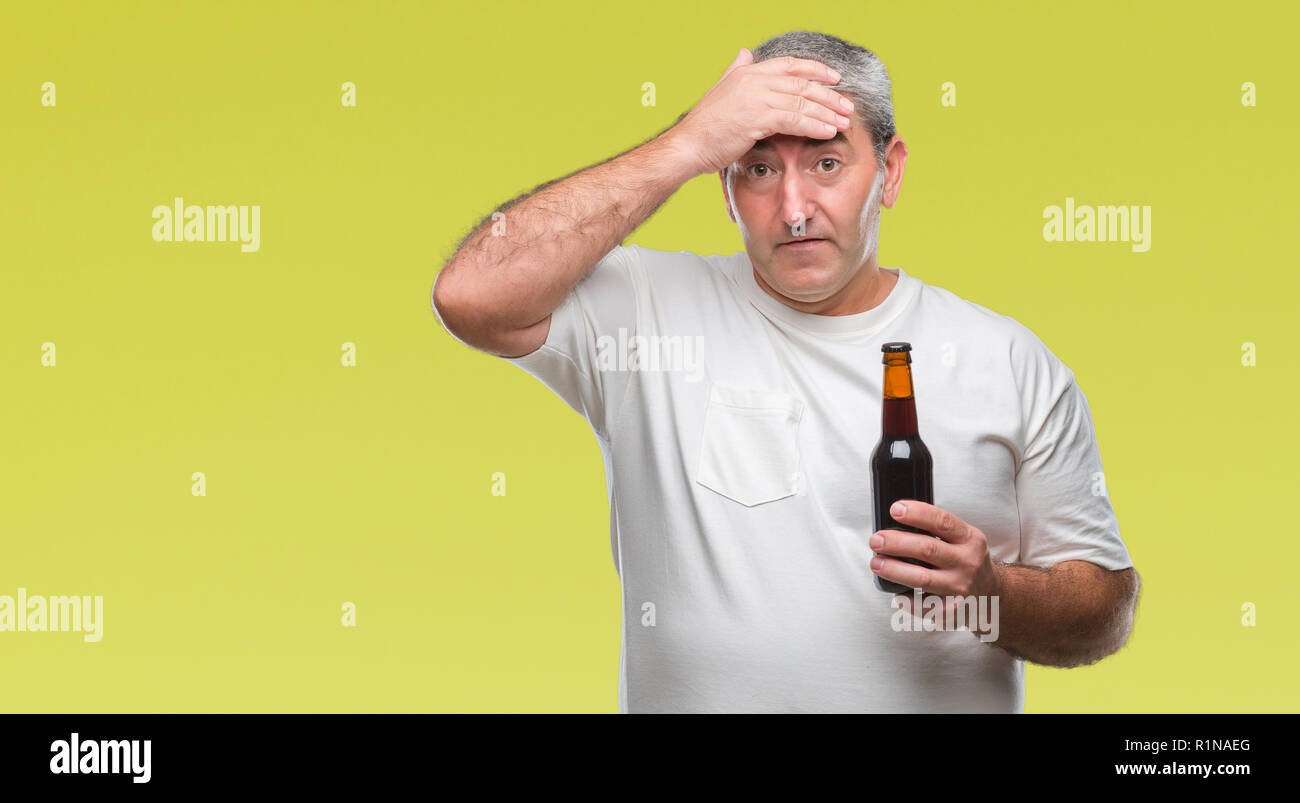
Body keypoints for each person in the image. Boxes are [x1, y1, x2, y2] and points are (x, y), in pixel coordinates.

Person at [432, 30, 1140, 713]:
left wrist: (993, 591)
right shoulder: (646, 315)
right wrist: (686, 142)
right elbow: (471, 294)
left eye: (827, 164)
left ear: (889, 172)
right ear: (726, 187)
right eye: (759, 168)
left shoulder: (1008, 361)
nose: (795, 209)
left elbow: (1104, 610)